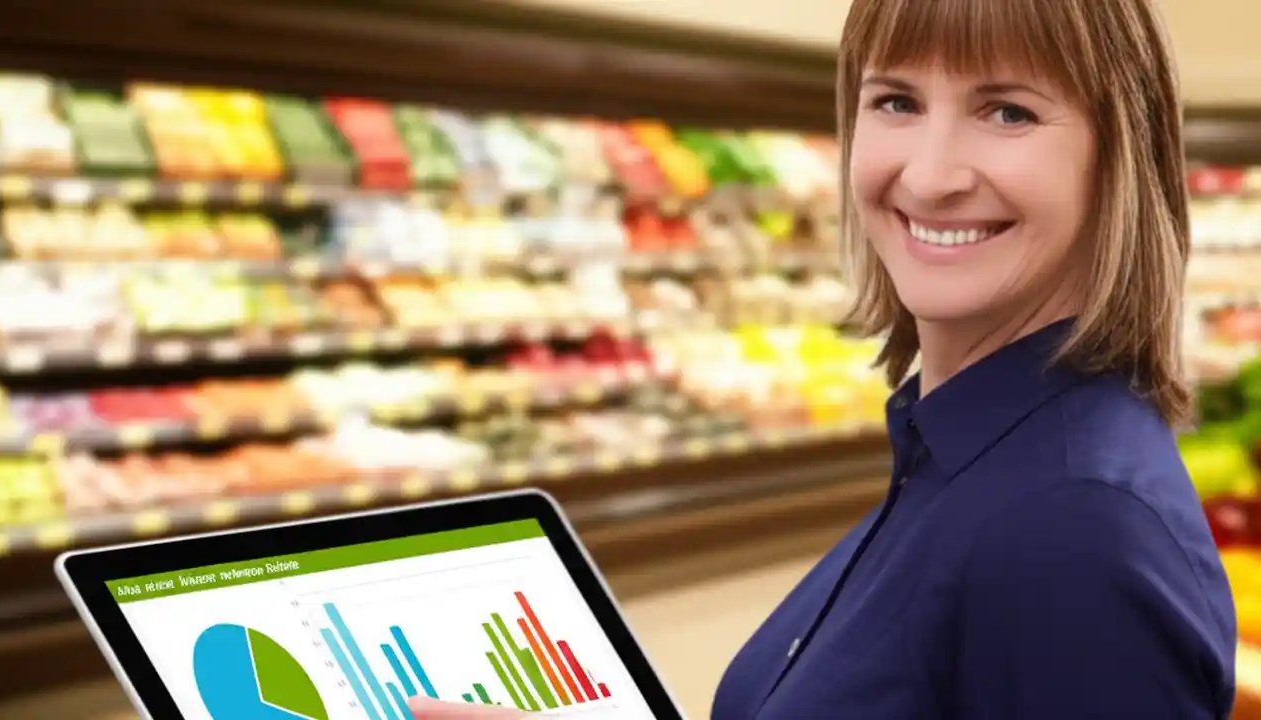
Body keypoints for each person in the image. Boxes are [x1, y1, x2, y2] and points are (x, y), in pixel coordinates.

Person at [410, 0, 1237, 717]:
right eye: (896, 101)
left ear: (1119, 157)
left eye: (1008, 112)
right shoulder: (961, 452)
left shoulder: (1075, 529)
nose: (930, 175)